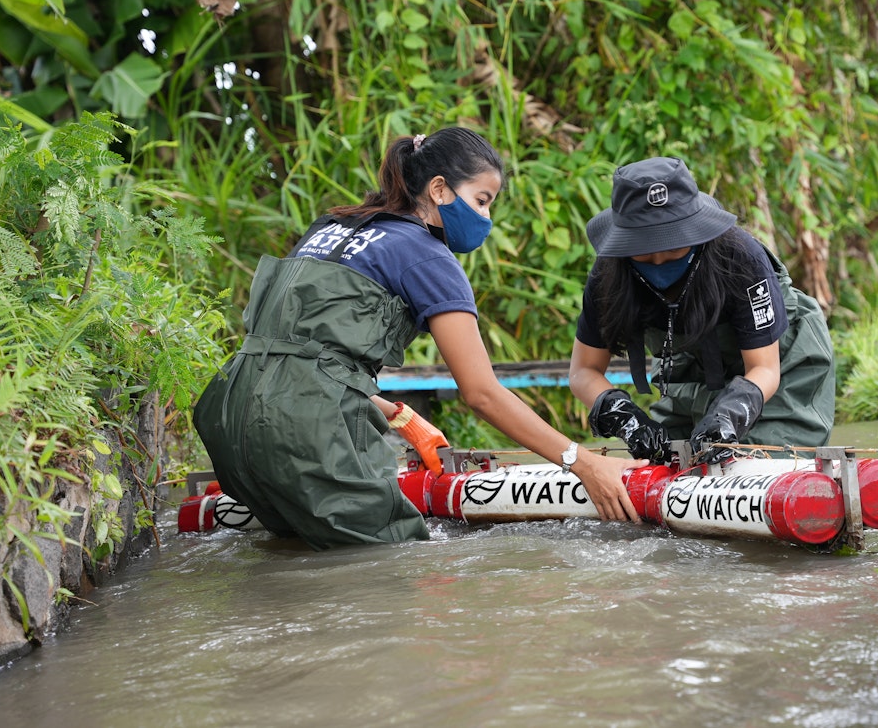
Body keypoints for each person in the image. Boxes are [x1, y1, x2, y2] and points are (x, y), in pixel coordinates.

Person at [194, 127, 647, 550]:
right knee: (397, 571)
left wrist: (399, 414)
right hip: (304, 433)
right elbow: (482, 393)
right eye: (482, 200)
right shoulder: (426, 256)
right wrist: (584, 463)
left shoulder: (328, 228)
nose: (486, 218)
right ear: (438, 190)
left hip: (229, 417)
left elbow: (294, 357)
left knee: (295, 563)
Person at [568, 156, 836, 465]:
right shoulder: (609, 274)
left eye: (672, 246)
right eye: (643, 248)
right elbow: (582, 371)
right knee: (671, 464)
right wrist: (625, 417)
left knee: (760, 464)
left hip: (779, 366)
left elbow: (765, 368)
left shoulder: (740, 258)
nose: (658, 259)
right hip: (691, 372)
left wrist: (730, 414)